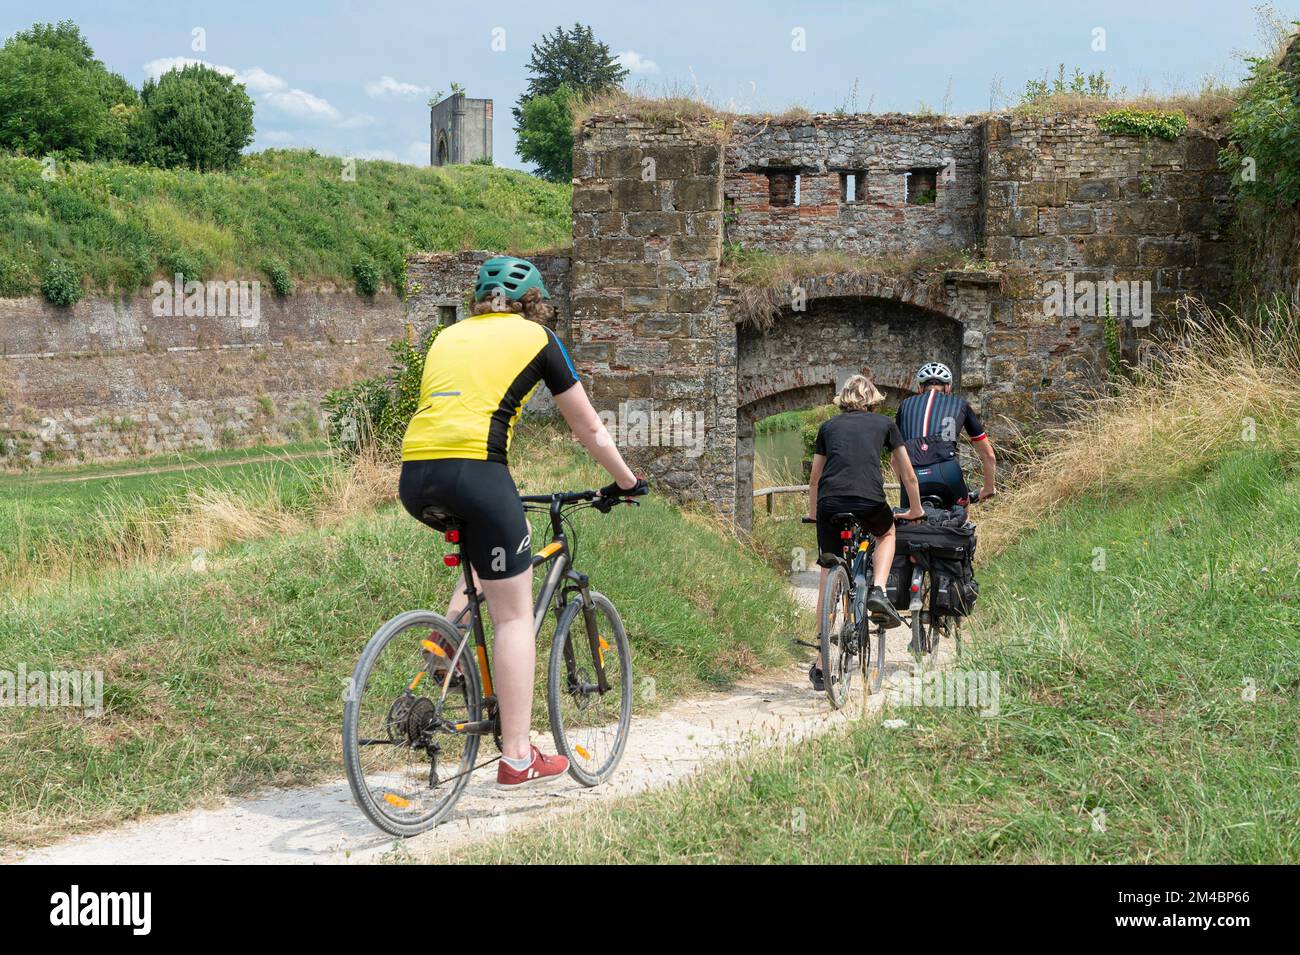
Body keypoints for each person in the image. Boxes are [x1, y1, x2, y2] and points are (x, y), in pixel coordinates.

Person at [397, 256, 646, 787]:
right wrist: (625, 480)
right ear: (534, 302)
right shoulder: (538, 338)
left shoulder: (448, 336)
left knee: (484, 567)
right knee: (514, 617)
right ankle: (516, 757)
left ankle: (446, 641)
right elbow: (588, 430)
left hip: (415, 477)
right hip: (477, 474)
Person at [806, 374, 924, 690]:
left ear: (843, 402)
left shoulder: (828, 427)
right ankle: (878, 591)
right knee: (886, 534)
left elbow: (815, 478)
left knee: (828, 572)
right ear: (873, 402)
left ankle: (821, 661)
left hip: (830, 504)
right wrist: (915, 510)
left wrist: (813, 513)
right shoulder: (885, 425)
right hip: (869, 501)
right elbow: (908, 475)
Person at [895, 361, 996, 509]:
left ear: (920, 388)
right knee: (961, 517)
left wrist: (905, 483)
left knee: (907, 524)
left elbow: (894, 459)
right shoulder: (960, 404)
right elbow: (989, 455)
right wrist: (988, 488)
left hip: (913, 473)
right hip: (947, 471)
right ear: (947, 387)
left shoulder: (904, 406)